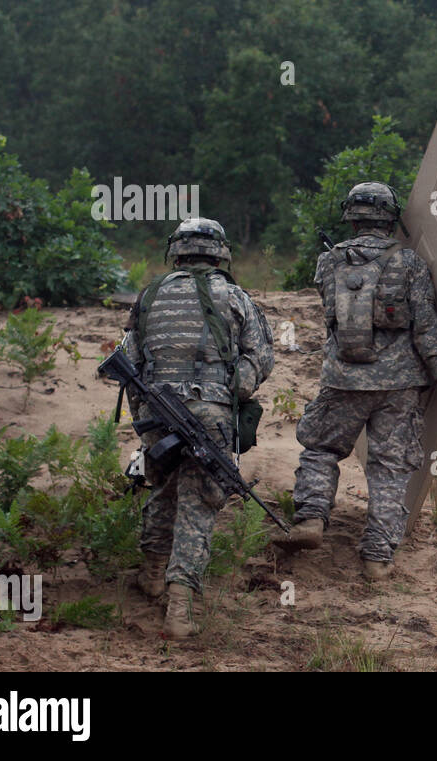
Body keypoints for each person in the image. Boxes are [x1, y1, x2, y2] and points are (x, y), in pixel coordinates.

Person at [277, 182, 437, 579]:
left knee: (321, 448)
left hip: (343, 378)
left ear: (350, 215)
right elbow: (426, 327)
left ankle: (311, 519)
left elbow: (334, 314)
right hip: (399, 384)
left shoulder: (328, 262)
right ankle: (377, 556)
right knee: (390, 468)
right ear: (390, 216)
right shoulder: (410, 264)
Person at [123, 217, 275, 638]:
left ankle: (152, 574)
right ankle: (179, 607)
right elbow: (260, 357)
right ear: (220, 252)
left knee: (163, 487)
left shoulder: (150, 295)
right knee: (199, 502)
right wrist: (231, 390)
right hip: (208, 413)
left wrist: (145, 408)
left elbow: (129, 360)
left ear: (177, 251)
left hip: (157, 412)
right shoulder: (235, 296)